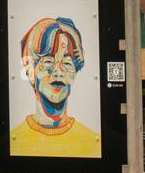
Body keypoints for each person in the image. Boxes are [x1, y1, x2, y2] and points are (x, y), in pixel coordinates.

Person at [10, 16, 101, 157]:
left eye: (67, 63)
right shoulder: (14, 139)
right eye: (48, 61)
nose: (58, 72)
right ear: (30, 71)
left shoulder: (92, 141)